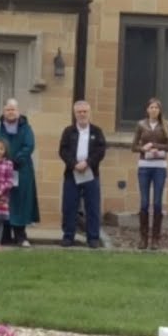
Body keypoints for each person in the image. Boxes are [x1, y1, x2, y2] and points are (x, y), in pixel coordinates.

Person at [0, 98, 39, 247]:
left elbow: (29, 146)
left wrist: (14, 161)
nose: (10, 112)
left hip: (21, 170)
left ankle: (21, 236)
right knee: (4, 201)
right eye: (8, 110)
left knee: (20, 202)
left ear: (18, 111)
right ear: (4, 111)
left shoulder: (26, 128)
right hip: (0, 170)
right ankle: (4, 236)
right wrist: (2, 160)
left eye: (13, 109)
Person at [58, 100, 106, 248]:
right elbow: (63, 150)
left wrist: (87, 163)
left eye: (85, 111)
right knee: (69, 206)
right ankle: (68, 236)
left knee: (92, 206)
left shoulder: (97, 131)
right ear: (75, 113)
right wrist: (74, 164)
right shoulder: (68, 131)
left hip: (91, 173)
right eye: (79, 112)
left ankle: (93, 238)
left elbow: (101, 150)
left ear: (89, 113)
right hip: (72, 174)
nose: (82, 114)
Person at [130, 98, 168, 250]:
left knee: (158, 203)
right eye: (151, 107)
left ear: (160, 110)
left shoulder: (166, 125)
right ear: (147, 110)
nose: (154, 110)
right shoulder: (141, 125)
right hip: (145, 166)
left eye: (156, 108)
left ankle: (156, 239)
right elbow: (134, 146)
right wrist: (144, 148)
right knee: (144, 202)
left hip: (159, 166)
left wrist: (155, 146)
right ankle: (143, 238)